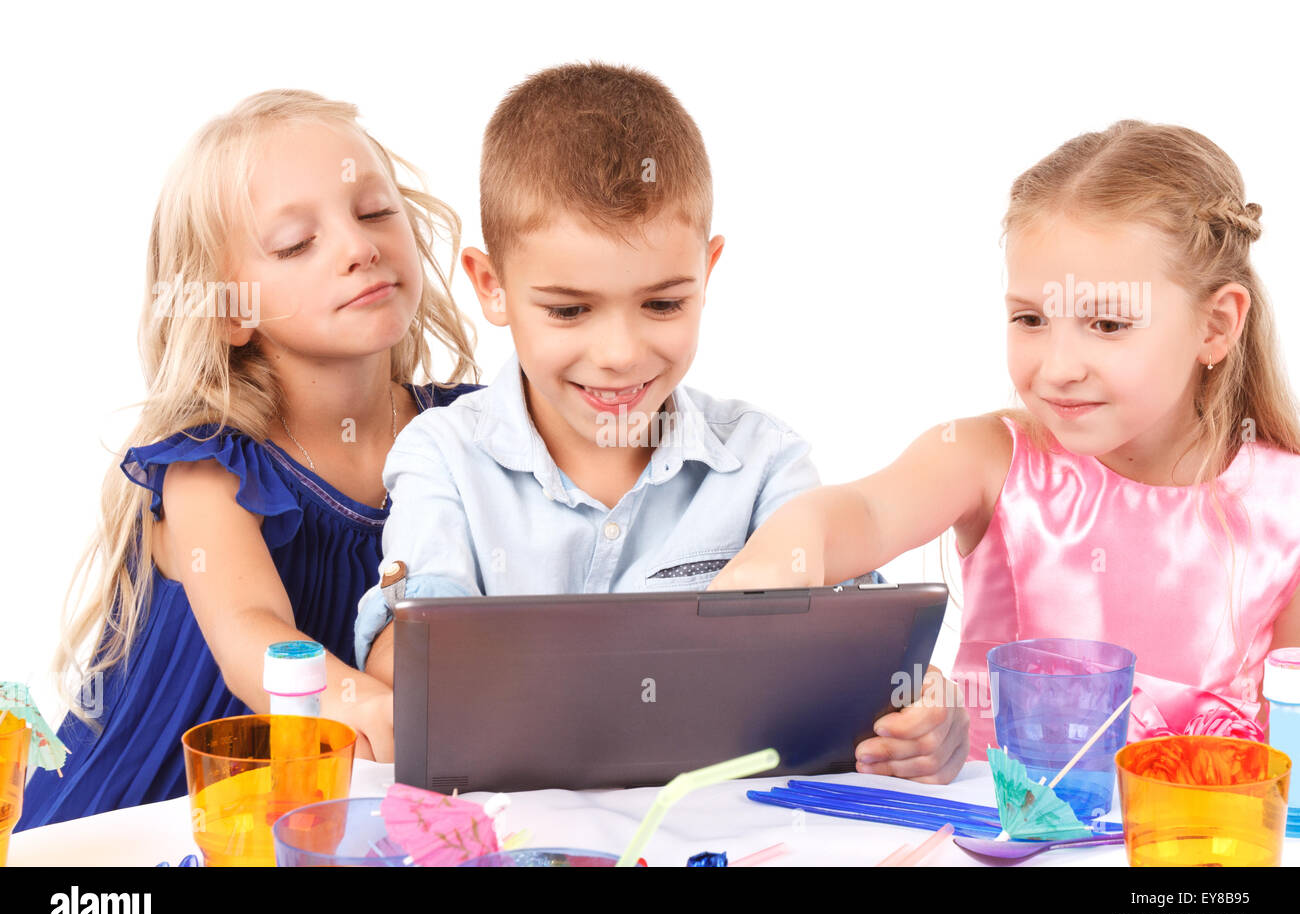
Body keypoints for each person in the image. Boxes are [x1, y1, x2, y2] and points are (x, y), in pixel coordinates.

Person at [353, 63, 962, 781]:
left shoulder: (763, 459)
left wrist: (923, 713)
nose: (618, 354)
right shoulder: (444, 454)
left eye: (664, 304)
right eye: (569, 310)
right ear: (493, 286)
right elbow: (410, 648)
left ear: (707, 273)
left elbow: (860, 643)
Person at [712, 120, 1300, 767]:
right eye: (1030, 319)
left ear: (1216, 326)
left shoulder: (1285, 508)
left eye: (1106, 322)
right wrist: (777, 562)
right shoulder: (989, 458)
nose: (1058, 367)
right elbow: (861, 511)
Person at [19, 90, 481, 830]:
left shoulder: (471, 430)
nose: (359, 247)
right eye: (298, 242)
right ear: (232, 311)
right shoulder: (210, 468)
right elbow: (251, 631)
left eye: (374, 212)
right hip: (160, 814)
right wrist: (371, 706)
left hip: (343, 811)